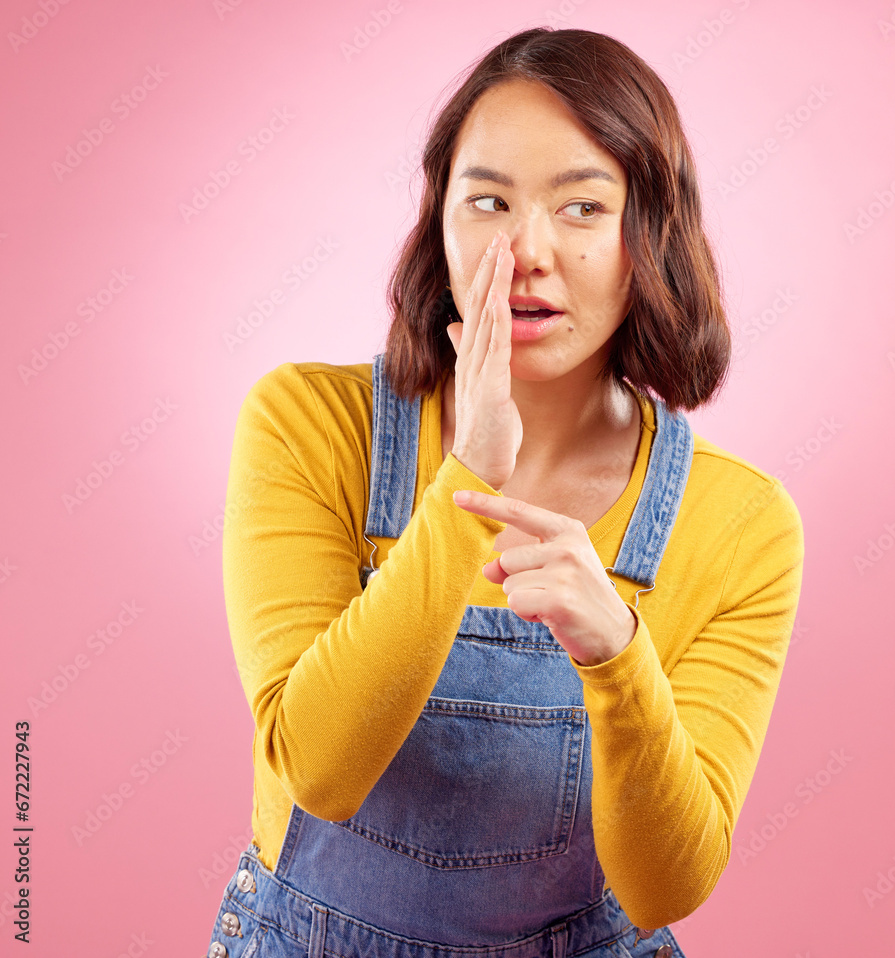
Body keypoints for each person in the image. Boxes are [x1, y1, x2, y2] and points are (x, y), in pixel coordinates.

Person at [204, 26, 804, 958]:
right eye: (487, 200)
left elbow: (665, 886)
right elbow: (317, 769)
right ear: (438, 221)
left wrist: (616, 656)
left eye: (582, 209)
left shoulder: (741, 524)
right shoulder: (308, 426)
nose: (524, 251)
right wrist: (465, 478)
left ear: (651, 235)